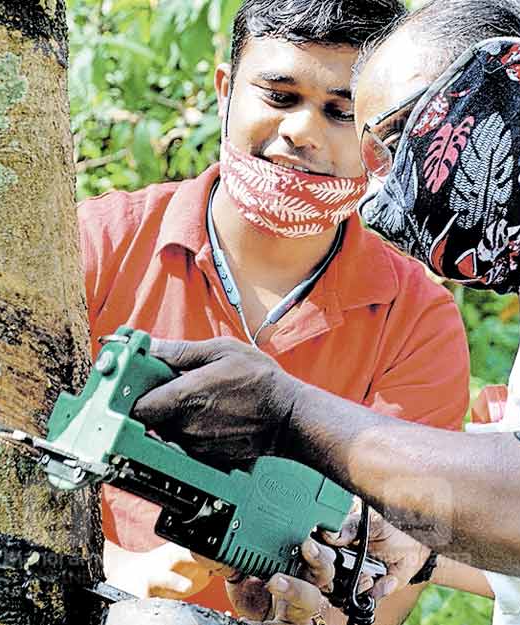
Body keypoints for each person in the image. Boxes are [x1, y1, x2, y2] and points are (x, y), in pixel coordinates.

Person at [129, 1, 520, 624]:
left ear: (507, 84)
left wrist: (286, 413)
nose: (382, 206)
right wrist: (408, 536)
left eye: (394, 141)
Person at [77, 0, 472, 620]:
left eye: (341, 112)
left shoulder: (416, 323)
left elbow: (386, 587)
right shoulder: (97, 245)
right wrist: (118, 570)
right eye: (281, 96)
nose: (303, 132)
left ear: (384, 139)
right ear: (225, 90)